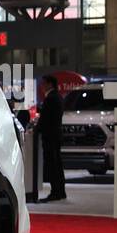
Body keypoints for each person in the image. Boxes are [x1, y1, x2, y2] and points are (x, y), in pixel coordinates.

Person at [37, 73, 66, 202]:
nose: (41, 86)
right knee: (57, 164)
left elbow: (45, 119)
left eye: (43, 83)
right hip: (56, 135)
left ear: (49, 84)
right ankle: (60, 191)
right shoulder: (58, 97)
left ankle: (56, 191)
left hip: (50, 136)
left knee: (53, 165)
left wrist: (37, 129)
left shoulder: (51, 98)